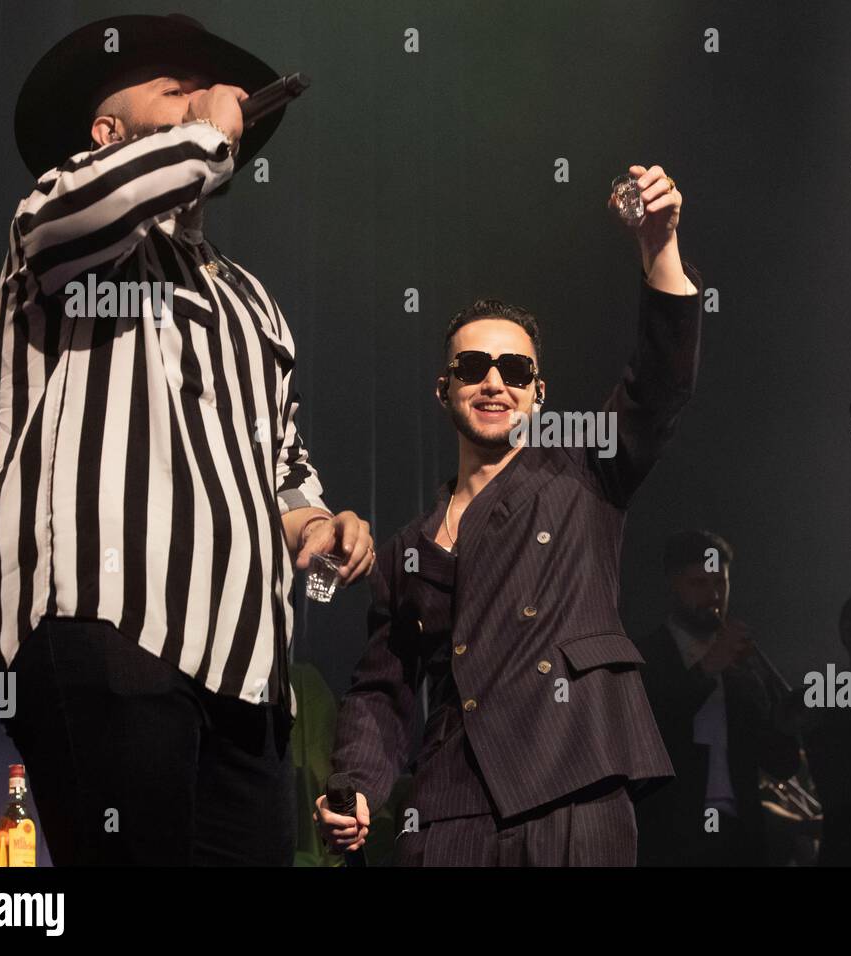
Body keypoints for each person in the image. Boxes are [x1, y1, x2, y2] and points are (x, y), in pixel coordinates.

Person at [0, 14, 373, 865]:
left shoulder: (251, 300)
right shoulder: (59, 216)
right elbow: (88, 209)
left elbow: (283, 466)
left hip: (246, 671)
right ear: (106, 131)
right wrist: (207, 134)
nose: (202, 99)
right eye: (175, 88)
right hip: (108, 625)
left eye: (207, 90)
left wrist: (314, 525)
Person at [316, 164, 701, 866]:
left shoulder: (582, 470)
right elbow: (382, 687)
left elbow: (660, 385)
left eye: (515, 371)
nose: (495, 381)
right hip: (448, 805)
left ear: (538, 393)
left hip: (572, 784)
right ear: (445, 390)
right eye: (474, 368)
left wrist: (659, 248)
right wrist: (357, 785)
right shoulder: (409, 547)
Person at [636, 530, 802, 866]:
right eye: (699, 584)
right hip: (671, 839)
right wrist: (708, 667)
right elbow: (650, 735)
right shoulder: (645, 656)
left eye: (720, 584)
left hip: (741, 839)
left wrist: (785, 723)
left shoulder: (745, 660)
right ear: (673, 584)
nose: (713, 596)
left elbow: (783, 765)